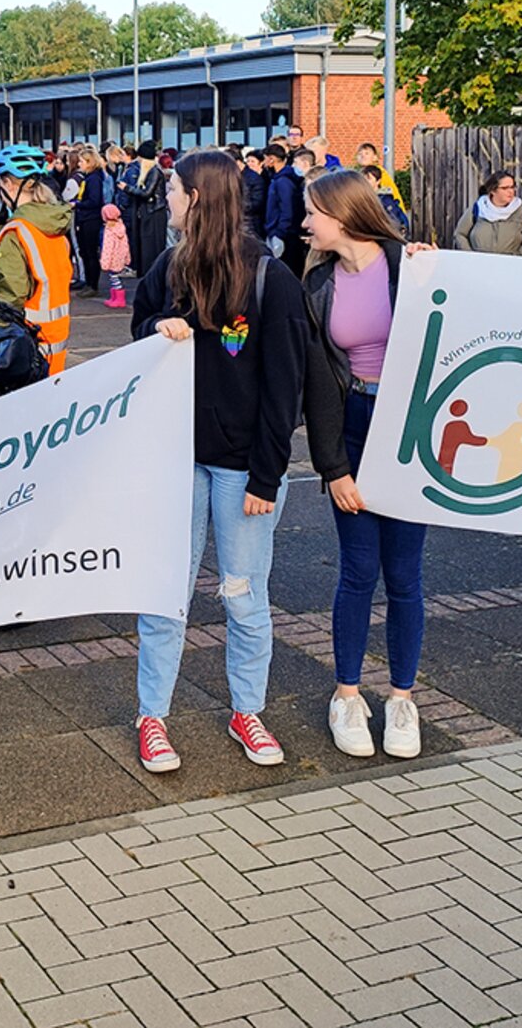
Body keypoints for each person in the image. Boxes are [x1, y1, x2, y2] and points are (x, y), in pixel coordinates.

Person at [129, 151, 306, 776]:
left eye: (174, 189)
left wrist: (267, 476)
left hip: (242, 471)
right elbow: (138, 326)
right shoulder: (169, 265)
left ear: (197, 197)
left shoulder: (269, 278)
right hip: (176, 461)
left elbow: (286, 387)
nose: (166, 198)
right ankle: (152, 717)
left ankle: (247, 711)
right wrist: (158, 325)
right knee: (164, 595)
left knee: (244, 596)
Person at [298, 168, 431, 760]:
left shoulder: (412, 267)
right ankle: (347, 695)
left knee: (404, 574)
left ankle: (402, 698)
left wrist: (440, 271)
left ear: (343, 215)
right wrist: (333, 468)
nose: (305, 222)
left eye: (313, 212)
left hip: (408, 429)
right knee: (357, 570)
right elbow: (318, 383)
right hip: (352, 422)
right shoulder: (317, 283)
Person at [0, 144, 73, 375]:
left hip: (18, 350)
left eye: (0, 184)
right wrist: (2, 223)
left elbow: (7, 303)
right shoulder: (52, 226)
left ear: (10, 185)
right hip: (50, 346)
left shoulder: (17, 233)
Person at [452, 170, 522, 255]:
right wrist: (471, 255)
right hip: (479, 262)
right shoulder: (478, 209)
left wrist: (519, 255)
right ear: (493, 190)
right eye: (505, 188)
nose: (510, 191)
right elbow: (460, 234)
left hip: (509, 263)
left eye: (512, 187)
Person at [116, 141, 168, 281]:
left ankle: (152, 274)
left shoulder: (154, 172)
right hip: (149, 211)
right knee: (146, 245)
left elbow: (147, 193)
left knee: (151, 246)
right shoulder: (150, 172)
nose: (138, 160)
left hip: (154, 212)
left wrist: (127, 188)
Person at [261, 144, 308, 277]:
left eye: (265, 158)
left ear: (271, 159)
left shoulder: (283, 182)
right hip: (278, 231)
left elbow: (287, 209)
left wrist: (279, 233)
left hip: (283, 234)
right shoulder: (277, 179)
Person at [70, 146, 110, 297]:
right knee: (85, 252)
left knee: (90, 252)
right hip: (85, 218)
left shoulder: (94, 179)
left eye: (81, 161)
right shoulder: (89, 177)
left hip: (90, 219)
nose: (79, 164)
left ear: (89, 162)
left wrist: (77, 204)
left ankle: (92, 285)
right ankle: (88, 283)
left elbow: (94, 200)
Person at [99, 202, 131, 308]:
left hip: (112, 259)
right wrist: (127, 258)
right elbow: (126, 245)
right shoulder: (121, 226)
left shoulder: (109, 230)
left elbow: (108, 248)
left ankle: (119, 299)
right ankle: (115, 298)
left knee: (114, 278)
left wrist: (104, 262)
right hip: (120, 257)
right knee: (115, 277)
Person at [361, 164, 409, 235]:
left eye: (369, 178)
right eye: (363, 178)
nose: (365, 181)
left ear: (378, 181)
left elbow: (395, 223)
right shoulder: (362, 198)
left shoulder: (385, 200)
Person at [239, 148, 268, 237]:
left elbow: (257, 202)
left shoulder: (264, 178)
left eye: (252, 161)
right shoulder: (244, 177)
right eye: (248, 161)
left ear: (261, 163)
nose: (249, 164)